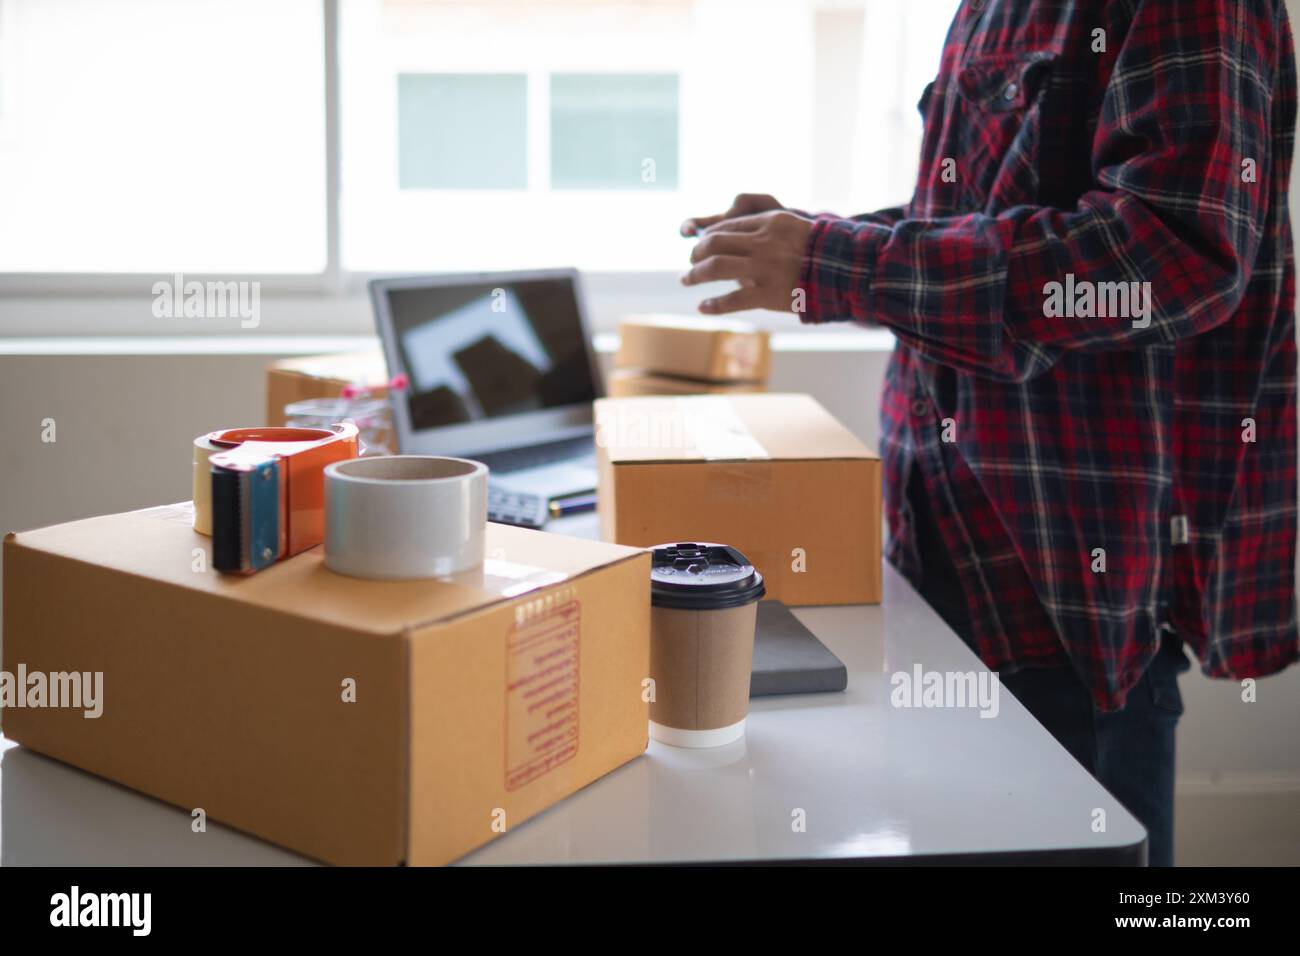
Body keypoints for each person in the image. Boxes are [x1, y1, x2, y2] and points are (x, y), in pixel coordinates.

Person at [680, 0, 1298, 867]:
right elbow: (985, 213)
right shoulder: (988, 9)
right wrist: (822, 242)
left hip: (1063, 593)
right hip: (939, 560)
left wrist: (838, 264)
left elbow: (1171, 254)